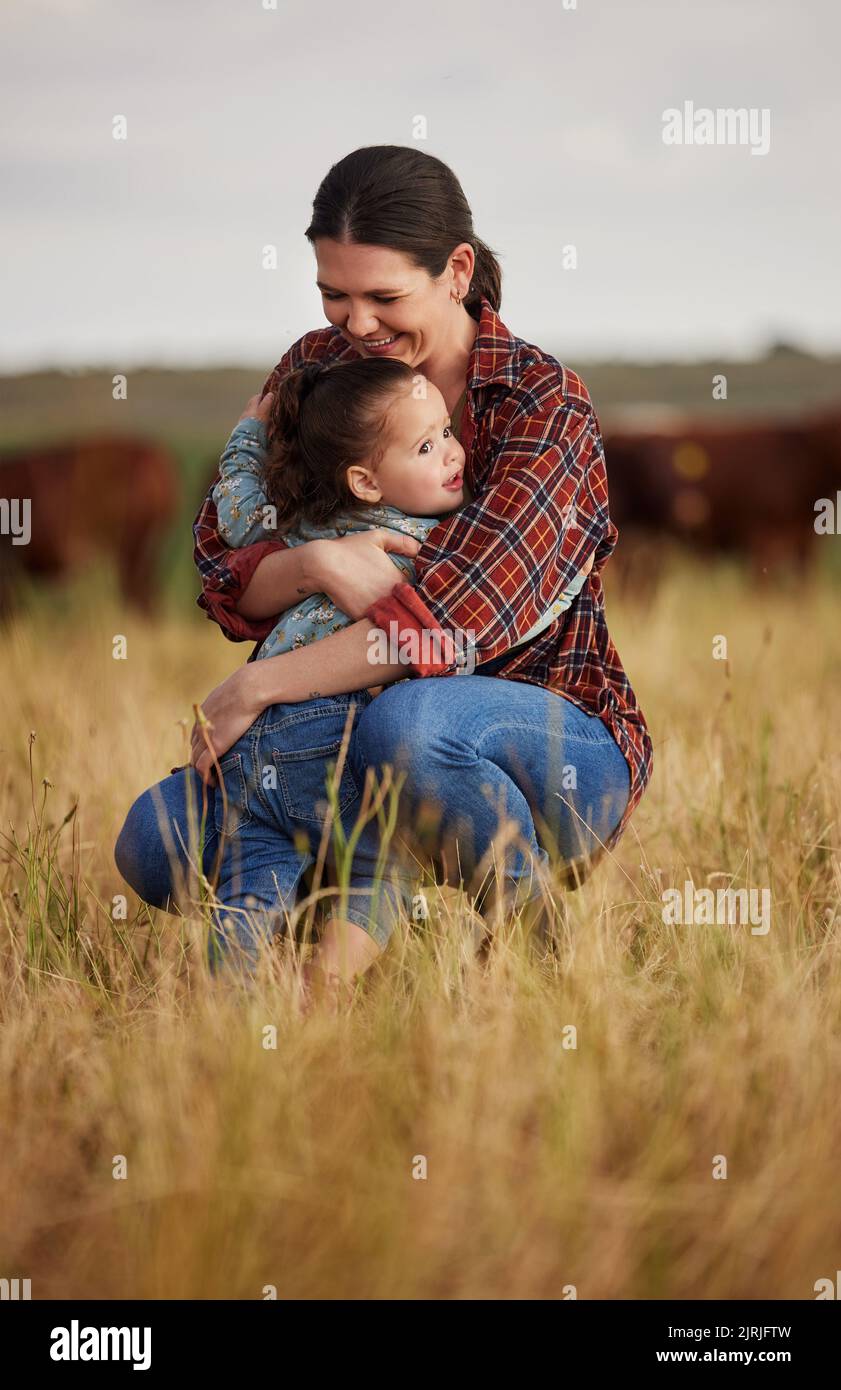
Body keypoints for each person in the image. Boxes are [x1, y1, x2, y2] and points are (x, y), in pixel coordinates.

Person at [115, 143, 653, 998]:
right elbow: (224, 564)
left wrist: (256, 688)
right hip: (328, 751)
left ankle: (536, 954)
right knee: (154, 839)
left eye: (383, 296)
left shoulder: (540, 402)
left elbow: (450, 627)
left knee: (407, 724)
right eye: (334, 293)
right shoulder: (313, 370)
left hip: (541, 745)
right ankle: (332, 944)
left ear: (457, 270)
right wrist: (315, 561)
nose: (355, 322)